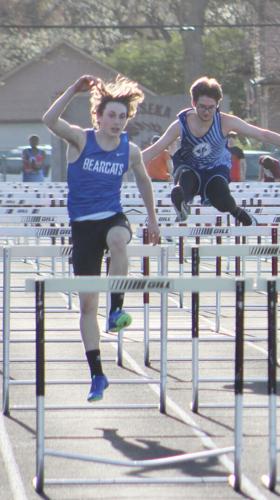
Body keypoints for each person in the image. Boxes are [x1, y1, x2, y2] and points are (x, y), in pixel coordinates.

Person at [42, 74, 160, 402]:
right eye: (111, 115)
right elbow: (49, 120)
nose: (117, 122)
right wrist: (72, 89)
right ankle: (97, 374)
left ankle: (117, 308)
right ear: (98, 116)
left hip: (112, 218)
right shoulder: (81, 140)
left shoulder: (130, 150)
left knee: (120, 241)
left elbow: (144, 181)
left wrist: (152, 218)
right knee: (86, 306)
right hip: (83, 228)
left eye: (123, 117)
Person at [142, 77, 280, 224]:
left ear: (217, 105)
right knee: (182, 186)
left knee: (222, 200)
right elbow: (156, 148)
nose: (206, 112)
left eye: (211, 108)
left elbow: (261, 134)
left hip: (215, 170)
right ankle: (182, 206)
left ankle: (237, 212)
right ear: (193, 103)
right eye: (202, 107)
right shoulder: (181, 124)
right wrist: (126, 163)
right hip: (189, 168)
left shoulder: (226, 122)